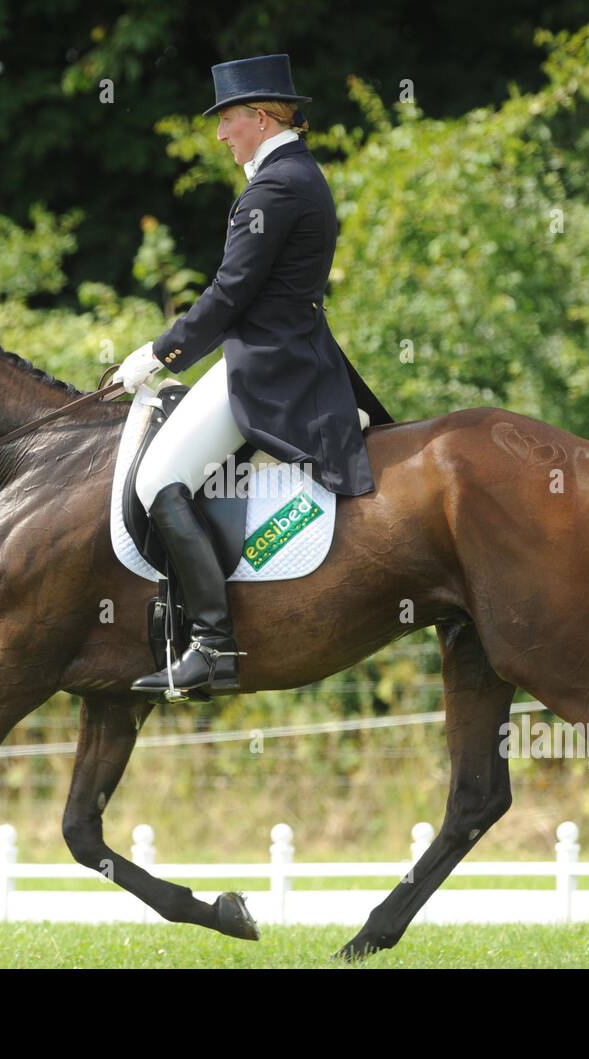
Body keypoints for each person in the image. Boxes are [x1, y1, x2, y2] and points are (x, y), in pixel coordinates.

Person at [112, 53, 391, 695]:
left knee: (158, 477)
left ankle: (212, 645)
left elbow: (228, 295)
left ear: (260, 118)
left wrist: (158, 355)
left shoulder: (276, 187)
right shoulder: (296, 175)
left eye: (227, 120)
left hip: (270, 369)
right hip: (281, 354)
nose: (220, 135)